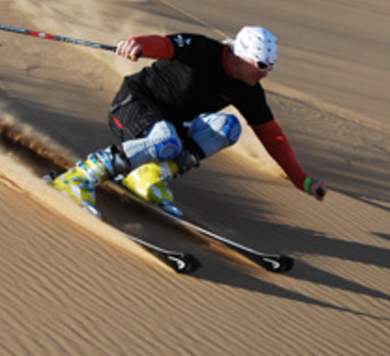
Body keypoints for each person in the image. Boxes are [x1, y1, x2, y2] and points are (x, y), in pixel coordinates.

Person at [50, 25, 327, 216]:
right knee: (165, 140)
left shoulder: (248, 89)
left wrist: (303, 181)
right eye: (261, 65)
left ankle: (148, 176)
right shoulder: (203, 49)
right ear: (241, 55)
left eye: (270, 67)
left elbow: (272, 136)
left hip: (170, 126)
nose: (265, 73)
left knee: (228, 127)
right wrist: (137, 43)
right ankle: (77, 177)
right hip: (133, 106)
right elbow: (164, 45)